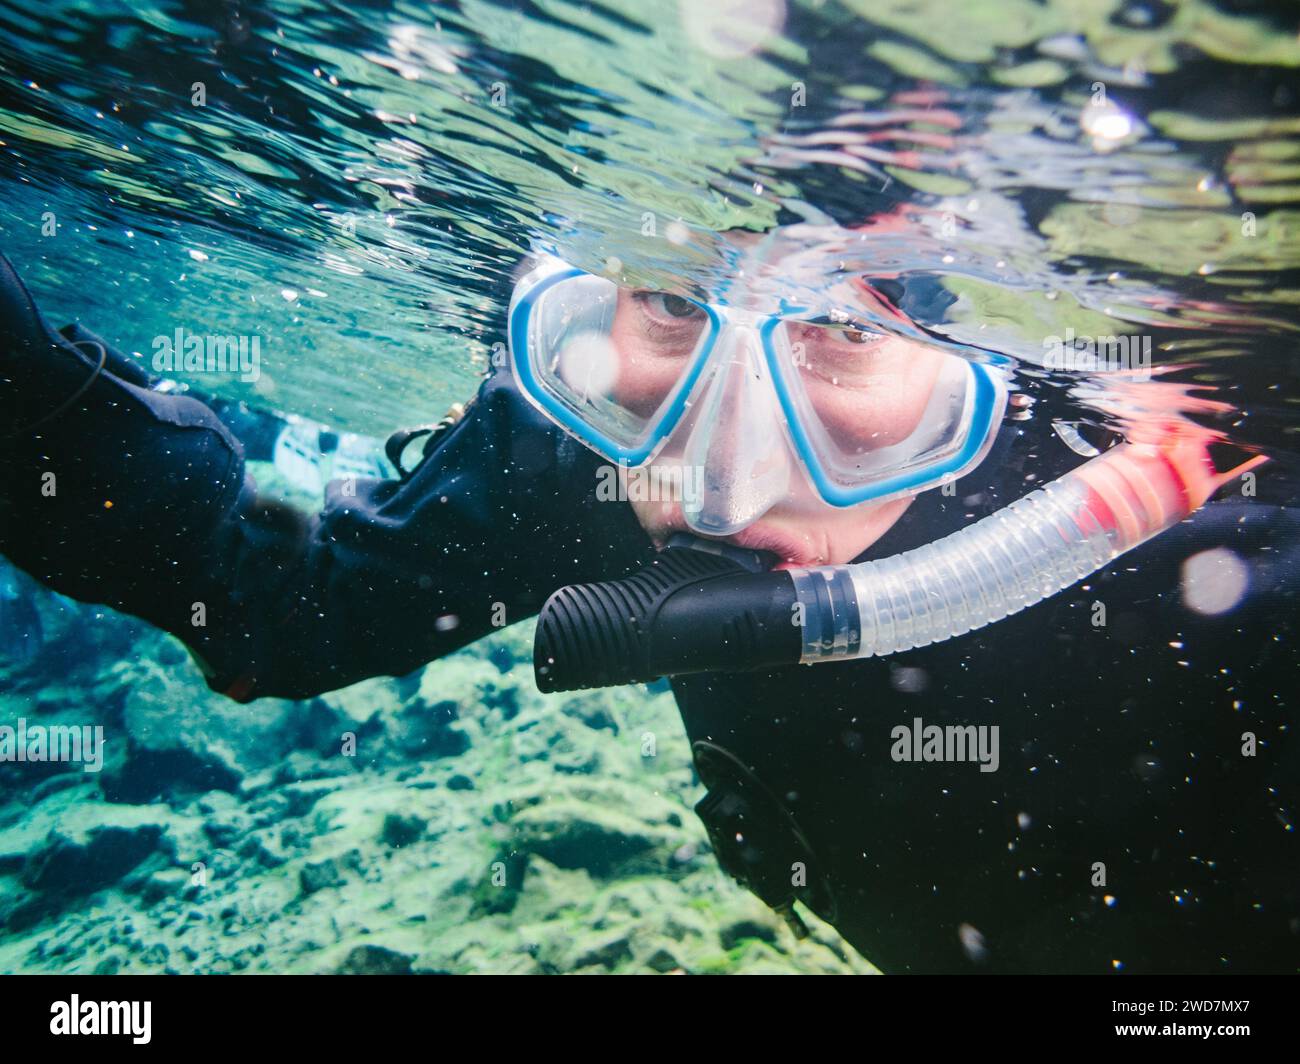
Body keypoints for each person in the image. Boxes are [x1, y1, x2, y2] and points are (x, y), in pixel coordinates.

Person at [0, 236, 1294, 974]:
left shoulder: (1203, 524)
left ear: (992, 366)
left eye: (840, 330)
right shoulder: (606, 441)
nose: (721, 485)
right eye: (673, 305)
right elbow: (277, 606)